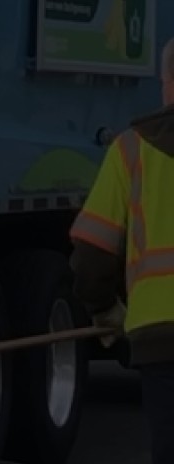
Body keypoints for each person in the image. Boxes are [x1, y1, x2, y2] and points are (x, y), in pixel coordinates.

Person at [69, 37, 174, 464]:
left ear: (167, 82)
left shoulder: (130, 149)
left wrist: (104, 310)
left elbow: (91, 254)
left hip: (159, 336)